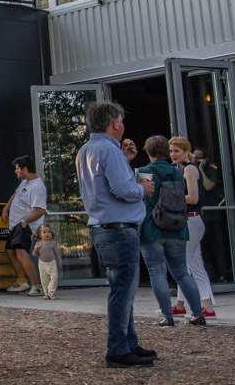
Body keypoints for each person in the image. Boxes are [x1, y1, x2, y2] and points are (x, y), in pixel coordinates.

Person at [75, 101, 156, 368]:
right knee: (124, 290)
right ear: (116, 123)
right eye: (121, 121)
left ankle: (128, 342)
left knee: (122, 288)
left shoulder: (87, 149)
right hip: (120, 229)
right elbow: (124, 189)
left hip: (103, 226)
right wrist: (143, 189)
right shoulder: (108, 151)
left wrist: (126, 161)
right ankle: (118, 348)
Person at [136, 135, 207, 327]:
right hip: (176, 226)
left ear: (148, 152)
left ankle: (167, 316)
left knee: (157, 273)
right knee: (182, 272)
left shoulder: (144, 172)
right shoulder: (177, 172)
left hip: (152, 227)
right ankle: (197, 313)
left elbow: (143, 197)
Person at [169, 136, 217, 318]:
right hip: (190, 220)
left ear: (186, 152)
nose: (173, 154)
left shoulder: (189, 169)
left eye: (176, 151)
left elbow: (193, 198)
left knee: (184, 265)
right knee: (194, 264)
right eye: (171, 151)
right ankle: (201, 306)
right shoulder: (184, 169)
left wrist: (171, 200)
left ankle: (194, 305)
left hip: (191, 220)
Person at [3, 156, 47, 296]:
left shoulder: (37, 187)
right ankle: (22, 281)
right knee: (10, 251)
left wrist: (25, 222)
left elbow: (41, 210)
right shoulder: (25, 182)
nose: (16, 172)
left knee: (22, 253)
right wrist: (5, 209)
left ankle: (36, 285)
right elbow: (15, 195)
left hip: (25, 226)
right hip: (15, 225)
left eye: (17, 169)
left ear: (25, 169)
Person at [32, 223, 62, 299]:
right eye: (44, 232)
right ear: (39, 234)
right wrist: (36, 251)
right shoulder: (38, 244)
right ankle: (46, 293)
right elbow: (34, 255)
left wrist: (59, 262)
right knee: (44, 279)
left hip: (51, 263)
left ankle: (51, 292)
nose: (47, 234)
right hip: (42, 263)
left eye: (48, 232)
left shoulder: (52, 244)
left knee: (54, 277)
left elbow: (57, 254)